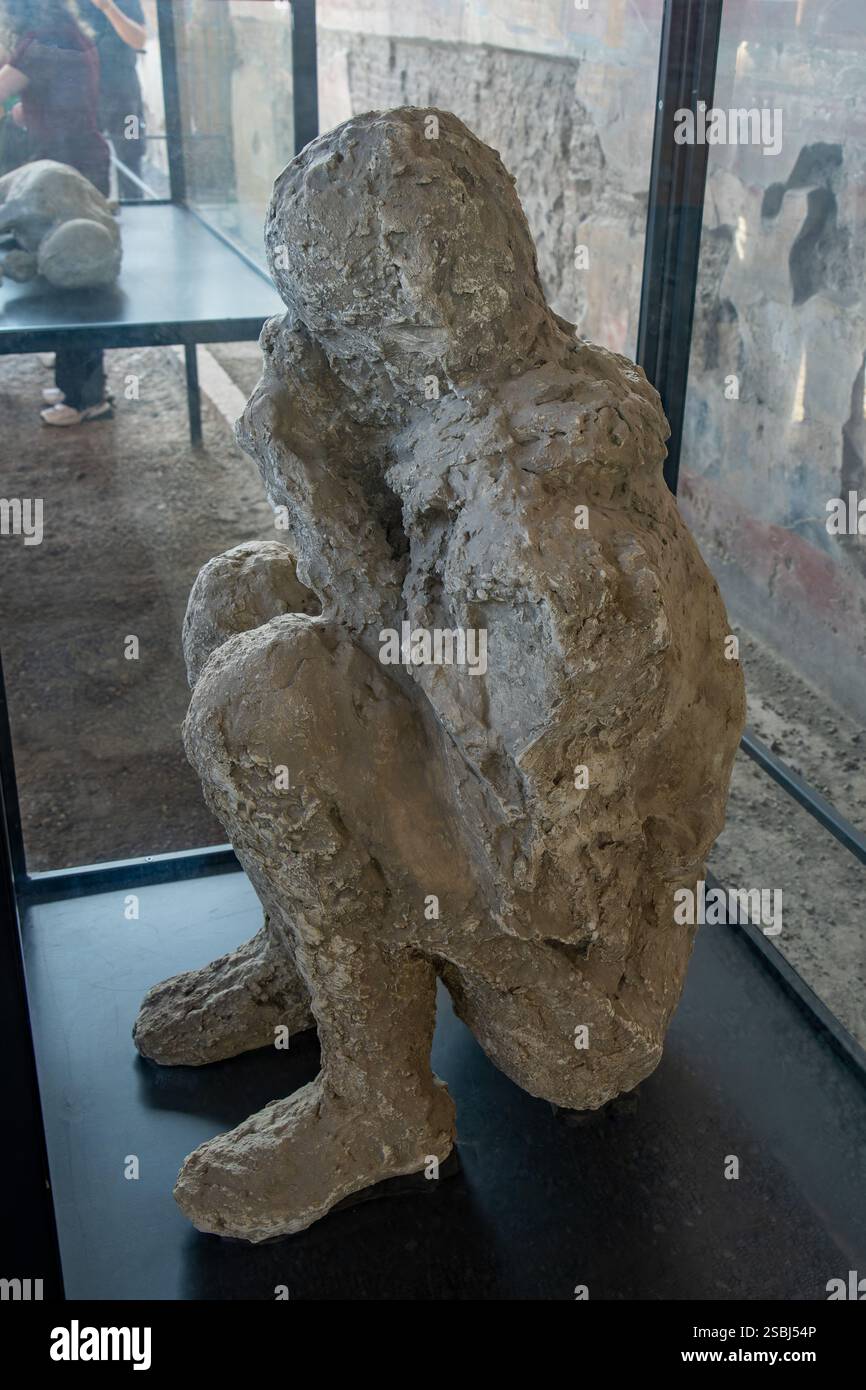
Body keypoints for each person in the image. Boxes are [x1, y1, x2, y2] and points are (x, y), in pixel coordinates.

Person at [0, 0, 112, 425]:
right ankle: (77, 386)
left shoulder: (38, 45)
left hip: (66, 176)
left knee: (75, 285)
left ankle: (84, 399)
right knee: (72, 282)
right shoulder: (68, 36)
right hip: (79, 166)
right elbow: (54, 102)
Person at [85, 0, 146, 201]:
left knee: (131, 153)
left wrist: (108, 7)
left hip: (126, 95)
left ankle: (136, 208)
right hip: (84, 94)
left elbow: (139, 40)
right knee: (87, 158)